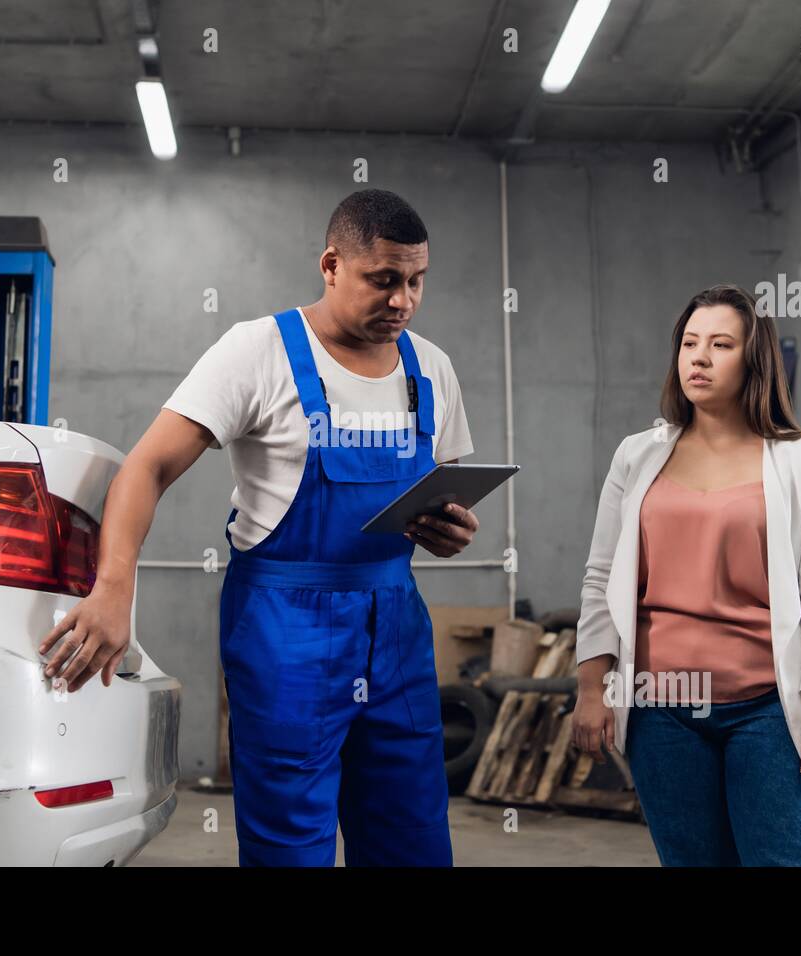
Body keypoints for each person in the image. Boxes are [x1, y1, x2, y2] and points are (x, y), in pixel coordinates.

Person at [39, 188, 478, 866]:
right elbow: (146, 468)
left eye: (416, 281)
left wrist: (446, 530)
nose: (403, 300)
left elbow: (437, 493)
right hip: (285, 629)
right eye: (383, 280)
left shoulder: (432, 368)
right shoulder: (258, 352)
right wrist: (112, 590)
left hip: (395, 627)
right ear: (331, 265)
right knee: (289, 845)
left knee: (412, 836)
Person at [572, 283, 801, 866]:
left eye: (721, 344)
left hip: (769, 711)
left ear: (754, 360)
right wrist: (591, 687)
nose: (698, 358)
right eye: (689, 342)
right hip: (662, 712)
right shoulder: (638, 455)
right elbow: (603, 576)